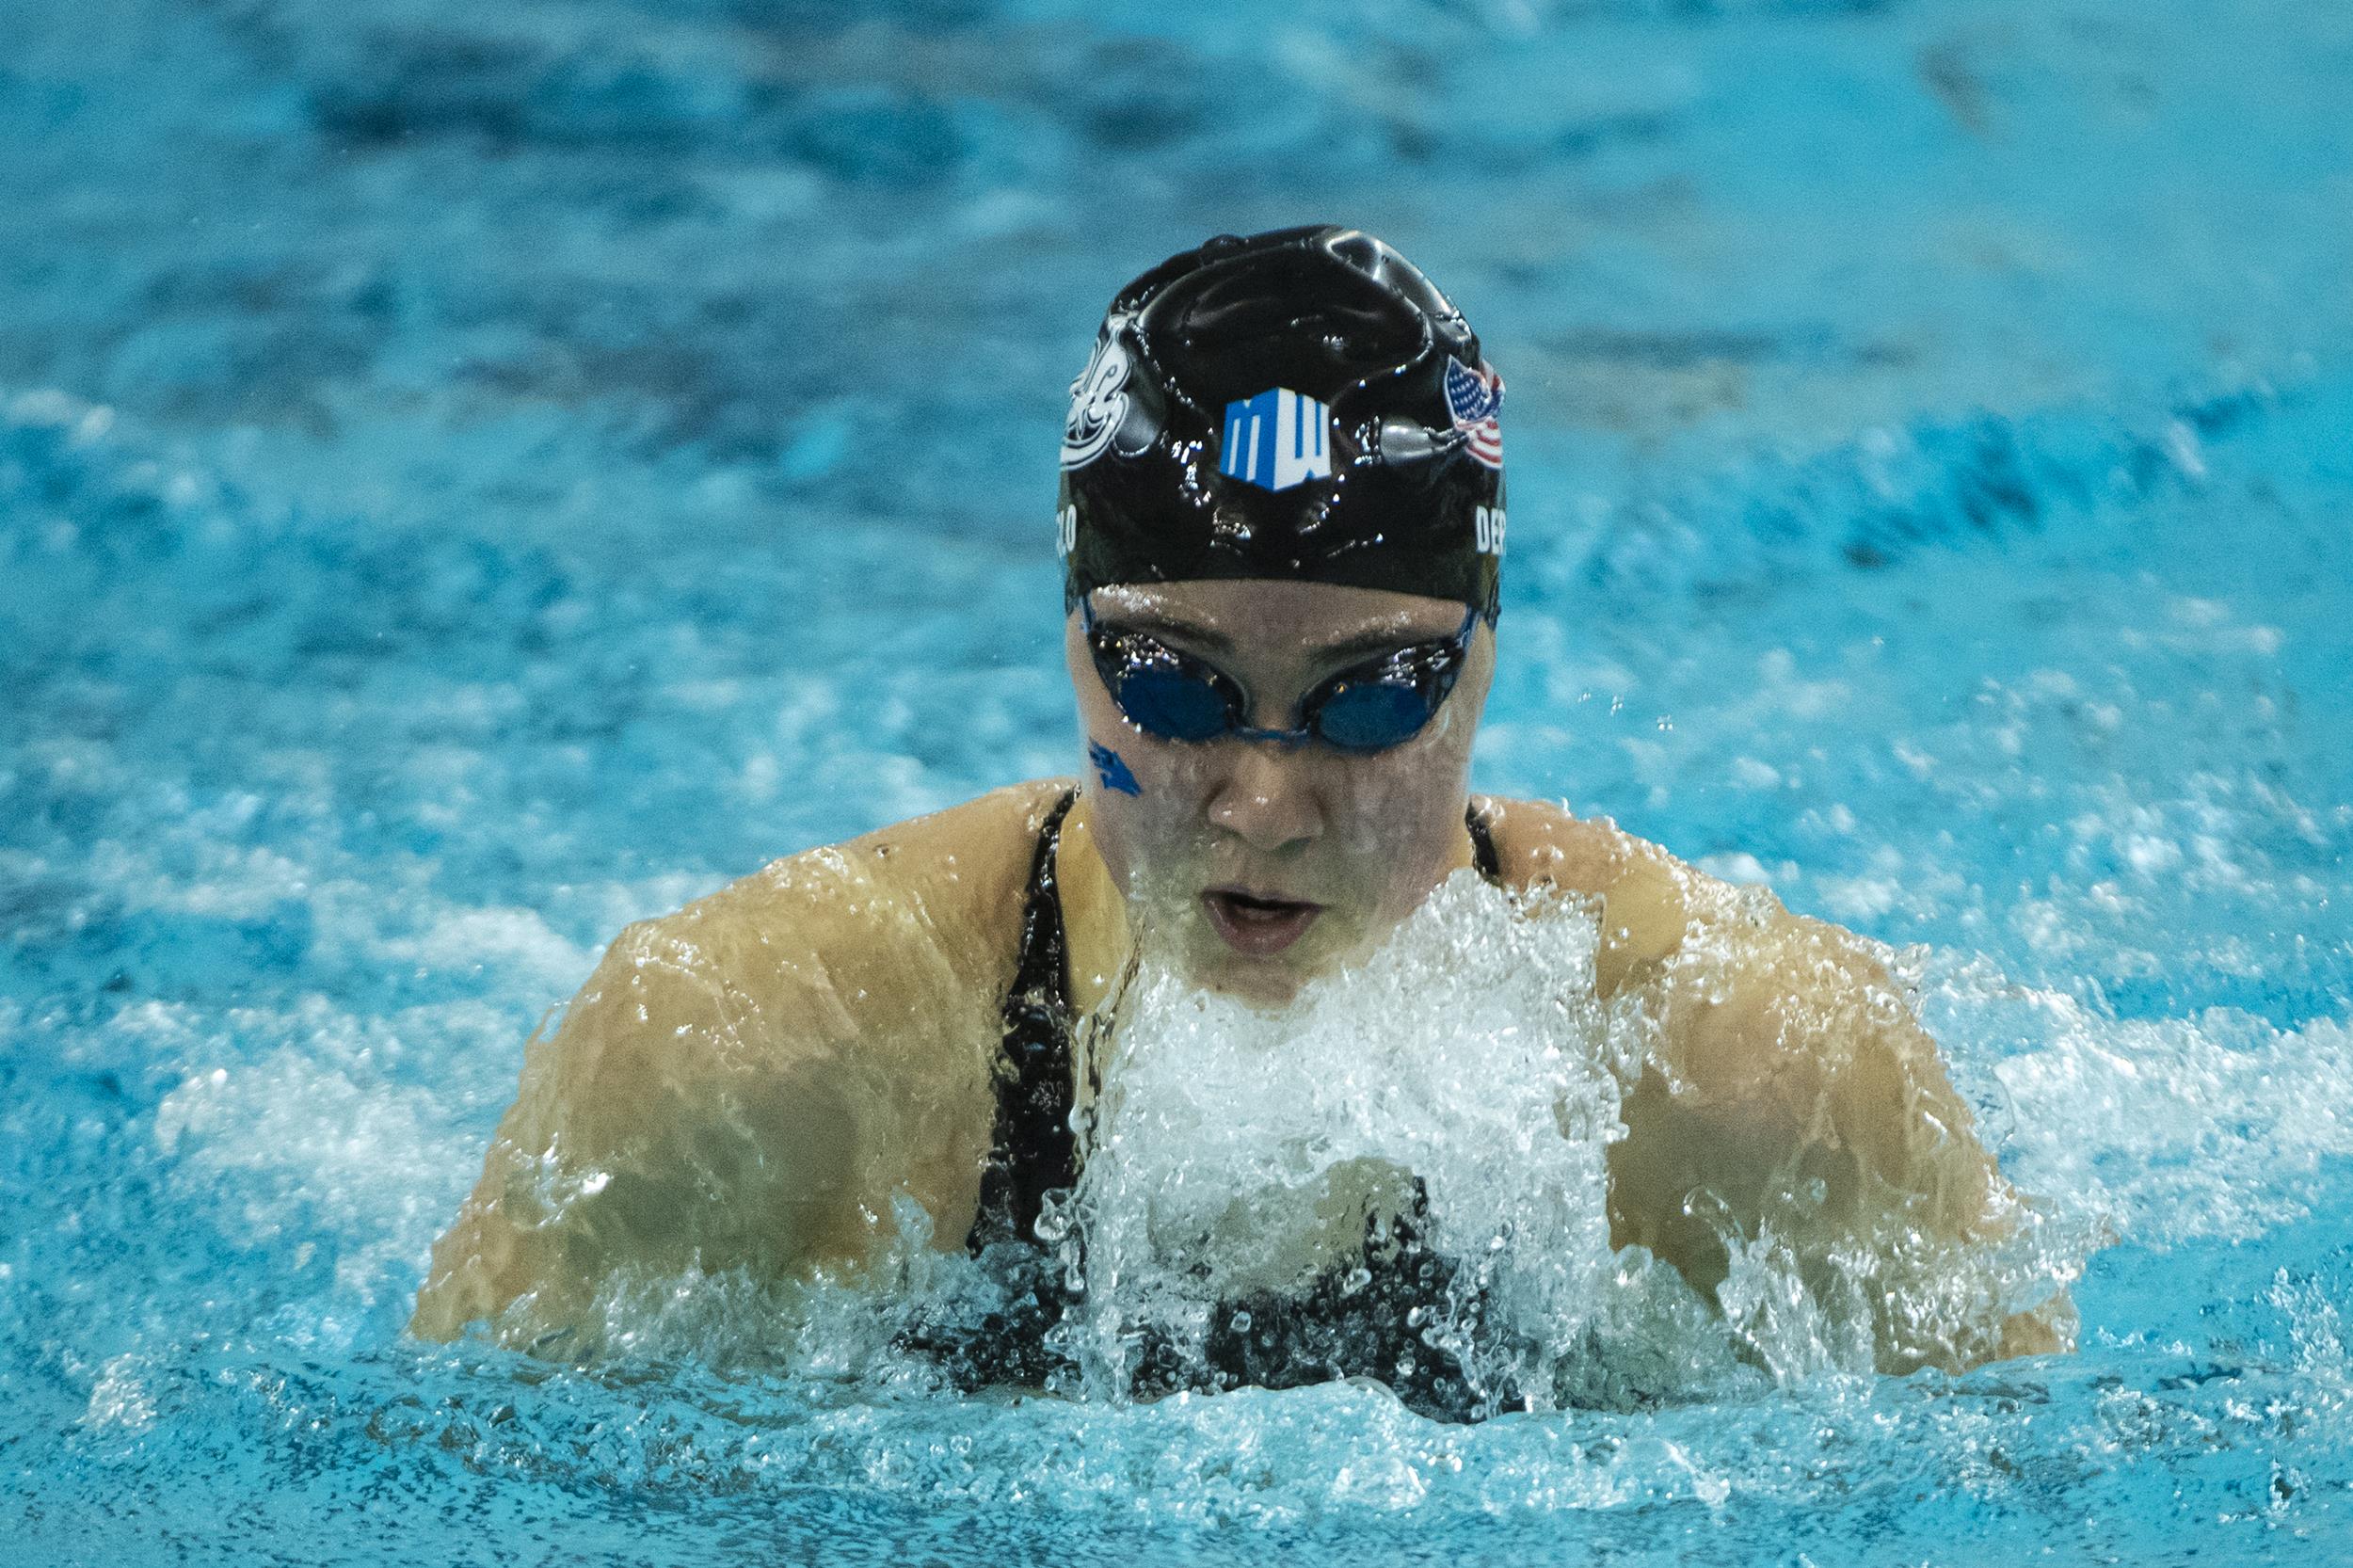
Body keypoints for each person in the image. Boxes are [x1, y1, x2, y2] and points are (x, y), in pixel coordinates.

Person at [408, 227, 2073, 1408]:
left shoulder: (1760, 1073)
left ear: (1484, 666)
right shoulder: (749, 1056)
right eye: (1178, 686)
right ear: (1068, 640)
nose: (1263, 800)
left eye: (1369, 698)